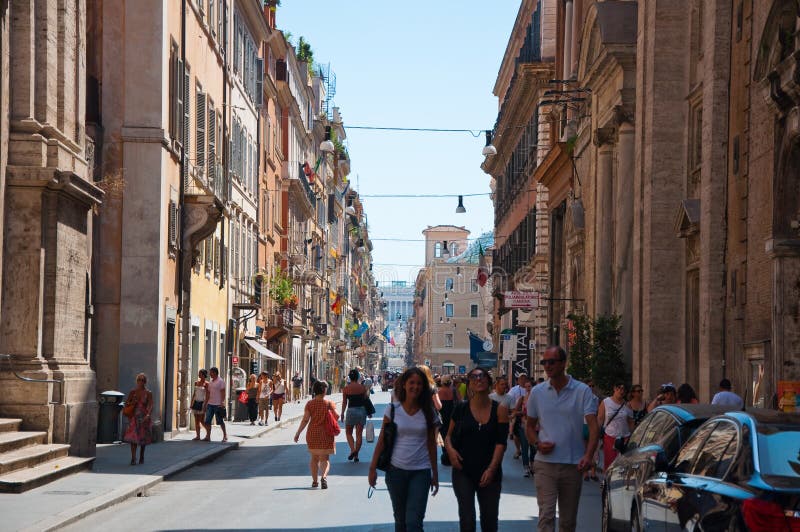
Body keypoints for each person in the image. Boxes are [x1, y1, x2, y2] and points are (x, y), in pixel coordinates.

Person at [526, 346, 599, 532]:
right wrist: (537, 443)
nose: (547, 366)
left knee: (567, 522)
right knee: (546, 516)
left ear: (563, 363)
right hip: (545, 465)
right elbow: (529, 426)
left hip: (572, 465)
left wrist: (588, 455)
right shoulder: (537, 392)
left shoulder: (581, 391)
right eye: (544, 362)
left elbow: (593, 426)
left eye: (552, 362)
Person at [368, 367, 440, 532]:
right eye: (412, 383)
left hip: (421, 472)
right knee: (400, 521)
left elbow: (431, 444)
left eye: (419, 383)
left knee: (414, 523)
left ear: (423, 387)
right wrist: (372, 469)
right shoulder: (393, 410)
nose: (415, 387)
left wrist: (434, 474)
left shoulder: (429, 412)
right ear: (405, 385)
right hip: (395, 472)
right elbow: (382, 441)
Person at [445, 367, 509, 532]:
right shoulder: (460, 408)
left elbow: (501, 442)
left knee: (489, 520)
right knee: (467, 518)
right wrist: (451, 451)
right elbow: (448, 436)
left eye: (482, 376)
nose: (478, 379)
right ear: (469, 384)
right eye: (473, 377)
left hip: (490, 471)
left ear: (489, 382)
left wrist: (492, 469)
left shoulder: (500, 409)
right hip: (463, 470)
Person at [294, 381, 339, 489]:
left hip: (313, 433)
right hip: (326, 434)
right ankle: (323, 477)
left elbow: (305, 420)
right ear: (324, 390)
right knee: (325, 459)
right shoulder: (329, 404)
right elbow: (336, 416)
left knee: (314, 458)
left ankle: (314, 482)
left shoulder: (310, 404)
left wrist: (298, 433)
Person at [597, 382, 634, 470]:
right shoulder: (606, 402)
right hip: (610, 437)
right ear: (614, 389)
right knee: (610, 464)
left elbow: (631, 422)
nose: (621, 391)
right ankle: (607, 482)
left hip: (624, 438)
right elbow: (600, 419)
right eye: (619, 388)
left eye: (623, 389)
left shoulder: (627, 405)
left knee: (623, 465)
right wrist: (596, 436)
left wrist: (632, 437)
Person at [124, 373, 153, 465]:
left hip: (143, 418)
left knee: (142, 438)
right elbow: (127, 403)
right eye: (139, 380)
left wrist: (148, 415)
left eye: (143, 380)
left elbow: (150, 405)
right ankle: (133, 458)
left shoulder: (148, 393)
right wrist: (133, 402)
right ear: (137, 381)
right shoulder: (133, 392)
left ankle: (141, 456)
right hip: (134, 418)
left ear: (145, 382)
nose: (141, 382)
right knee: (133, 438)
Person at [341, 369, 369, 462]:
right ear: (357, 377)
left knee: (348, 433)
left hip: (351, 411)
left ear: (349, 377)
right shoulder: (362, 388)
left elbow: (345, 402)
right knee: (359, 434)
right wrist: (369, 412)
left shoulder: (346, 389)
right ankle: (356, 454)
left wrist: (342, 413)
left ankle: (353, 450)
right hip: (361, 411)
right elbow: (366, 400)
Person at [203, 367, 228, 442]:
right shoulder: (211, 382)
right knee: (207, 421)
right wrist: (206, 403)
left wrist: (222, 402)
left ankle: (225, 435)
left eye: (211, 372)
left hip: (218, 404)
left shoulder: (220, 381)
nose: (210, 374)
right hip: (210, 404)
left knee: (220, 421)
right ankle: (208, 436)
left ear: (215, 373)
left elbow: (223, 392)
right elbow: (208, 393)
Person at [508, 373, 529, 459]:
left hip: (527, 414)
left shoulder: (531, 388)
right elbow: (509, 399)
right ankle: (518, 449)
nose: (523, 380)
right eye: (521, 379)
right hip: (516, 412)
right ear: (518, 380)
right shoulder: (514, 390)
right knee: (517, 435)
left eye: (524, 378)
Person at [438, 375, 456, 466]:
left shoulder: (439, 392)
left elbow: (437, 406)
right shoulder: (454, 391)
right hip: (453, 416)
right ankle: (452, 455)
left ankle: (446, 455)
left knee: (444, 435)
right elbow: (460, 402)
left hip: (443, 417)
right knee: (452, 436)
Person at [190, 369, 209, 440]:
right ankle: (198, 436)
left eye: (200, 373)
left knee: (202, 420)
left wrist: (205, 404)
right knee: (196, 420)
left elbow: (207, 395)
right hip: (196, 402)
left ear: (203, 375)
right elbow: (194, 393)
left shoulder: (207, 384)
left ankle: (208, 432)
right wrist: (191, 403)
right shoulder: (196, 383)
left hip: (202, 403)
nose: (199, 375)